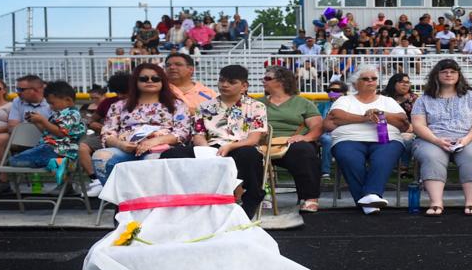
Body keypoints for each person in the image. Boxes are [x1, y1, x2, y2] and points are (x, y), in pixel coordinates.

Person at [162, 64, 269, 216]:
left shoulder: (256, 106)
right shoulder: (205, 106)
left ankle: (252, 196)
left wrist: (230, 147)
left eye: (231, 82)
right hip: (210, 147)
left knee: (249, 154)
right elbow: (198, 135)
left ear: (244, 86)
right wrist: (206, 150)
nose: (224, 85)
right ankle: (180, 200)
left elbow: (254, 139)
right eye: (222, 80)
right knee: (171, 154)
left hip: (240, 146)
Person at [90, 61, 192, 195]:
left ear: (162, 82)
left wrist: (154, 141)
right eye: (144, 79)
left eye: (155, 78)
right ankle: (120, 199)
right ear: (135, 82)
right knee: (101, 157)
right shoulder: (119, 106)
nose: (150, 81)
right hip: (125, 148)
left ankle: (145, 202)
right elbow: (107, 132)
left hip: (158, 149)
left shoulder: (176, 105)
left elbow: (183, 132)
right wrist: (121, 144)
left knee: (152, 162)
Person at [407, 58, 472, 216]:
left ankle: (471, 201)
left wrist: (466, 139)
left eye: (453, 72)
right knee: (431, 156)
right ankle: (436, 202)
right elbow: (418, 125)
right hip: (432, 138)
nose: (449, 74)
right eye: (444, 72)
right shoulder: (423, 99)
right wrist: (436, 140)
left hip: (468, 137)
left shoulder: (471, 96)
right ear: (436, 75)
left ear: (459, 75)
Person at [324, 66, 408, 214]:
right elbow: (336, 116)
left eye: (373, 79)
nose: (370, 81)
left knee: (383, 158)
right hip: (348, 139)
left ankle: (369, 198)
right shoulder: (344, 100)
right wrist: (366, 117)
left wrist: (381, 113)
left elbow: (403, 122)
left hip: (387, 139)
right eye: (365, 78)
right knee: (350, 158)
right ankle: (371, 200)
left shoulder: (387, 101)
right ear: (356, 83)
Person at [260, 65, 325, 213]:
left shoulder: (303, 103)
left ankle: (310, 198)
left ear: (282, 81)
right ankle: (260, 195)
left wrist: (305, 137)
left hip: (291, 143)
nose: (263, 81)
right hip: (263, 143)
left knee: (303, 150)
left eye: (267, 78)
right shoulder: (257, 103)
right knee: (247, 153)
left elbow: (317, 126)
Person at [4, 79, 88, 191]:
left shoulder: (72, 114)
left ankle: (62, 162)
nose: (50, 107)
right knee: (14, 161)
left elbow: (61, 133)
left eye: (52, 103)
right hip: (50, 148)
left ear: (67, 100)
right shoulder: (60, 114)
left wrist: (43, 120)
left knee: (15, 161)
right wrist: (37, 122)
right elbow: (49, 132)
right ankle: (59, 164)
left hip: (56, 150)